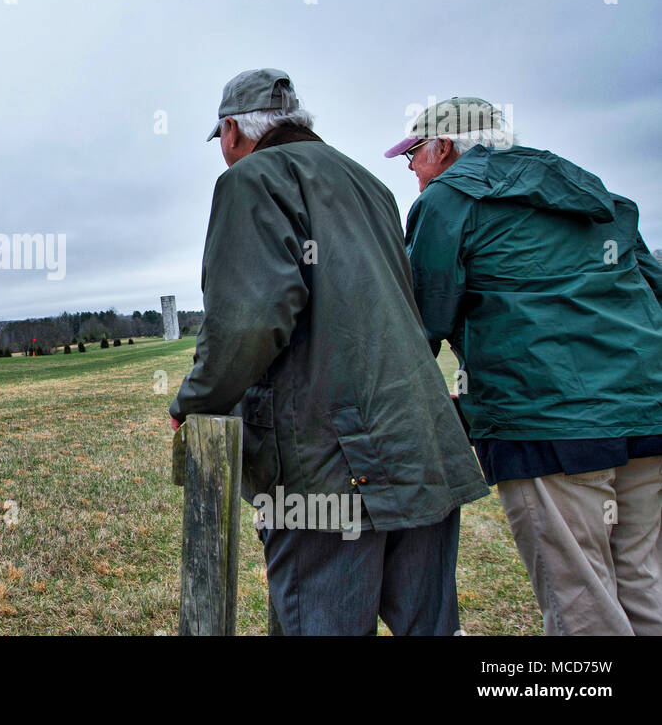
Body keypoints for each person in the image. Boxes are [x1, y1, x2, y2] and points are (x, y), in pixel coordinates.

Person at [168, 68, 487, 635]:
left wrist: (194, 401)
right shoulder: (370, 183)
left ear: (233, 131)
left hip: (329, 464)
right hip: (420, 445)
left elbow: (247, 322)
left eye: (221, 139)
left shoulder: (251, 181)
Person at [389, 96, 662, 635]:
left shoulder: (448, 200)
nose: (413, 170)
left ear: (443, 148)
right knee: (645, 586)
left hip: (547, 425)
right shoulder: (586, 187)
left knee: (582, 604)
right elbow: (652, 285)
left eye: (414, 154)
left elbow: (420, 319)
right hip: (649, 413)